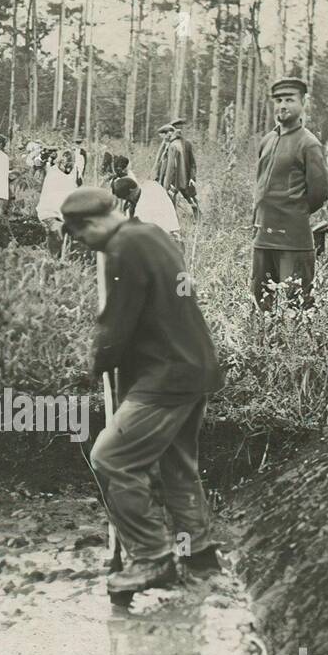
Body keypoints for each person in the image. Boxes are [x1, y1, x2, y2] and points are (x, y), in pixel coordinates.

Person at [60, 186, 225, 595]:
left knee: (111, 457)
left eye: (81, 236)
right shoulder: (152, 233)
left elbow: (117, 325)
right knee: (177, 465)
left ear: (96, 223)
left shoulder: (123, 248)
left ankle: (152, 558)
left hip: (166, 376)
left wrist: (96, 364)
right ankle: (199, 554)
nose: (82, 244)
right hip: (194, 366)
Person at [251, 77, 328, 309]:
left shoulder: (309, 144)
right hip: (263, 238)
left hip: (292, 241)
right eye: (278, 100)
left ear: (303, 102)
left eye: (289, 99)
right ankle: (264, 345)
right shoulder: (268, 140)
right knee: (261, 301)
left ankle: (294, 347)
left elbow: (318, 193)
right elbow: (260, 186)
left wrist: (292, 213)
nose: (282, 105)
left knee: (296, 304)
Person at [111, 175, 181, 242]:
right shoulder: (151, 184)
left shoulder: (142, 210)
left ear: (132, 190)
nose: (128, 201)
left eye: (127, 198)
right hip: (171, 229)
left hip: (164, 237)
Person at [36, 150, 78, 257]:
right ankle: (53, 260)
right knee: (57, 232)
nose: (67, 167)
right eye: (64, 164)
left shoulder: (73, 174)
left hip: (65, 212)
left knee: (68, 237)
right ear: (60, 162)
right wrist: (44, 155)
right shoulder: (52, 171)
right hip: (50, 211)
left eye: (69, 165)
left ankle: (63, 259)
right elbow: (37, 162)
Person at [166, 118, 201, 217]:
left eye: (180, 129)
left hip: (185, 178)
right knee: (170, 200)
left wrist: (192, 177)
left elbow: (192, 163)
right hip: (173, 179)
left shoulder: (187, 144)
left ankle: (198, 216)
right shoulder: (169, 144)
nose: (178, 131)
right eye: (176, 129)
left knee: (191, 198)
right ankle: (173, 220)